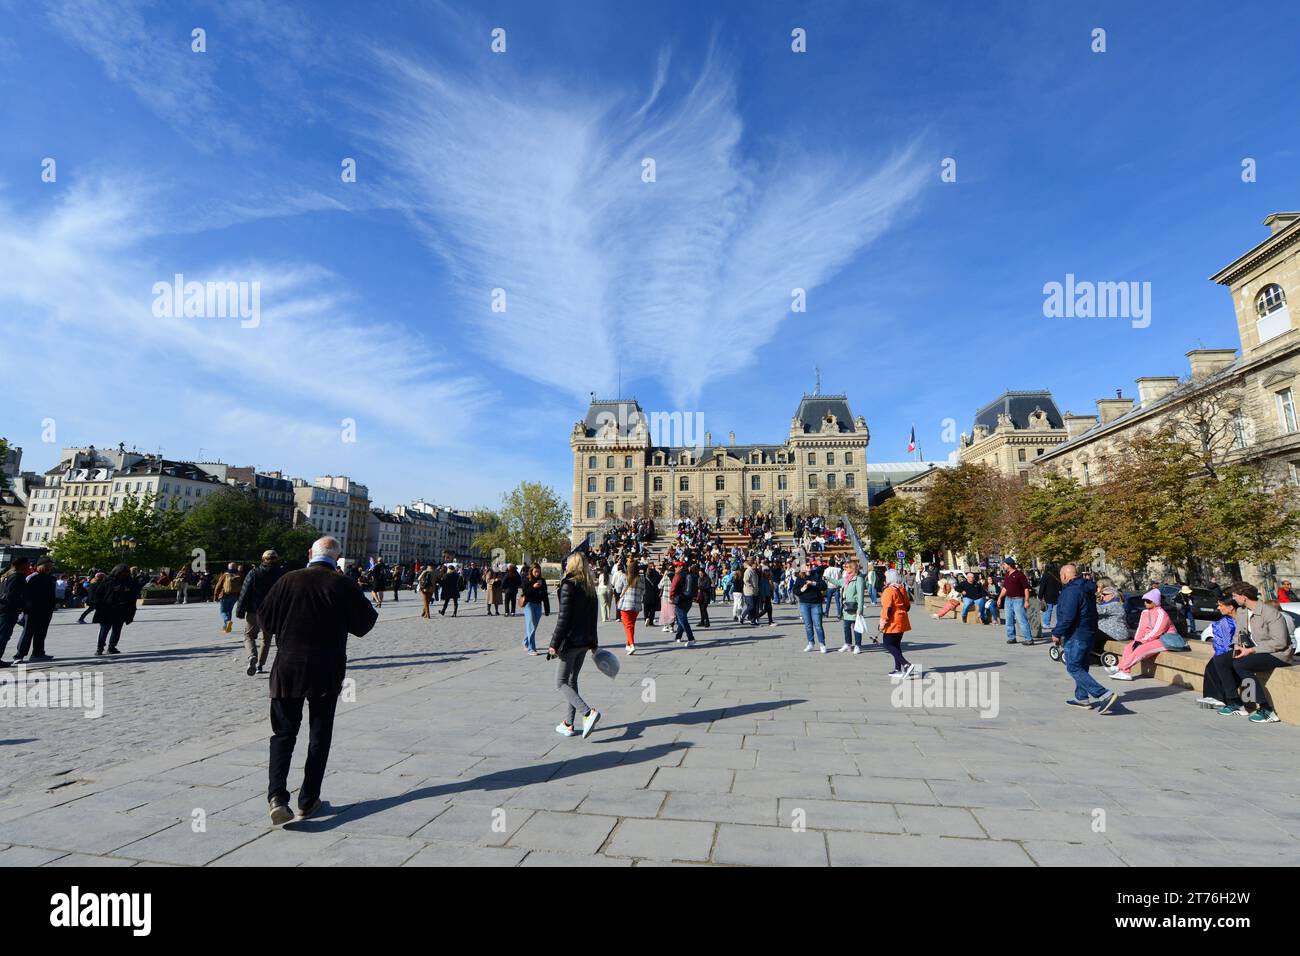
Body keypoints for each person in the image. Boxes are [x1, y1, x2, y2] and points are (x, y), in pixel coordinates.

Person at [258, 537, 378, 825]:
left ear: (310, 553)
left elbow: (265, 619)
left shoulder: (288, 580)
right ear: (337, 558)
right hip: (327, 668)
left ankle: (277, 797)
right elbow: (365, 624)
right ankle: (308, 800)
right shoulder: (342, 584)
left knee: (283, 734)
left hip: (288, 668)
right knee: (319, 736)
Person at [1211, 582, 1293, 722]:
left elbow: (1280, 642)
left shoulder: (1270, 613)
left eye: (1235, 596)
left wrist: (1251, 650)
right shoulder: (1242, 611)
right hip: (1252, 651)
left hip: (1277, 654)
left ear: (1244, 597)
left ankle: (1266, 709)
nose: (1234, 599)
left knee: (1241, 664)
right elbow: (1238, 633)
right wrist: (1236, 646)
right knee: (1220, 660)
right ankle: (1235, 702)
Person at [547, 551, 602, 739]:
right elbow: (593, 618)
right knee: (571, 681)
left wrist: (554, 643)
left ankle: (587, 713)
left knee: (560, 682)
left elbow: (563, 618)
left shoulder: (568, 585)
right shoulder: (589, 586)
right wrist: (593, 642)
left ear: (571, 565)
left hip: (570, 641)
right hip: (584, 642)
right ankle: (568, 724)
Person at [1051, 563, 1118, 713]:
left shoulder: (1071, 591)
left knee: (1073, 666)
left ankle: (1103, 694)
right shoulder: (1086, 587)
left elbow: (1068, 617)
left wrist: (1057, 632)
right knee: (1081, 666)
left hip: (1077, 633)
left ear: (1064, 576)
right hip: (1088, 632)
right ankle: (1081, 698)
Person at [1108, 588, 1185, 681]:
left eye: (1148, 601)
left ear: (1155, 602)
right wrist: (1137, 640)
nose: (1145, 603)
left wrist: (1142, 642)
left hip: (1165, 639)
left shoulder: (1162, 613)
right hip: (1151, 639)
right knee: (1129, 647)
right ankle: (1125, 672)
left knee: (1142, 649)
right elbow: (1141, 629)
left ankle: (1119, 667)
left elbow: (1158, 631)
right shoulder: (1145, 612)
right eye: (1144, 601)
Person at [235, 550, 285, 677]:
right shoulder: (282, 574)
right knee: (266, 639)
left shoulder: (254, 573)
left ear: (263, 559)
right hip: (272, 611)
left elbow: (245, 592)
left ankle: (252, 656)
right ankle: (260, 665)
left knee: (249, 636)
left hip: (254, 610)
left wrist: (240, 610)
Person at [1197, 593, 1238, 707]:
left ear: (1231, 607)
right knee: (1212, 666)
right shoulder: (1225, 620)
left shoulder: (1231, 621)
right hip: (1227, 651)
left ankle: (1220, 697)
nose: (1218, 608)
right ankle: (1214, 696)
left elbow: (1226, 643)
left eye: (1221, 605)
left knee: (1217, 664)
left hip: (1235, 651)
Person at [15, 556, 57, 662]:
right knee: (28, 632)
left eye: (50, 566)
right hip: (32, 610)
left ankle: (38, 653)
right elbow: (24, 594)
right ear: (39, 566)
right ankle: (19, 655)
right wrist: (25, 607)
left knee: (41, 632)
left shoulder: (50, 578)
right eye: (47, 566)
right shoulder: (32, 577)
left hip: (46, 610)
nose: (49, 568)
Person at [92, 564, 141, 656]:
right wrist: (99, 606)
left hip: (122, 609)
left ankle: (112, 647)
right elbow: (98, 594)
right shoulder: (108, 581)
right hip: (107, 609)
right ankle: (100, 648)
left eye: (126, 573)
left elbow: (133, 595)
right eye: (123, 572)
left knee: (117, 629)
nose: (125, 574)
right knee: (105, 629)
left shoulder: (129, 582)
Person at [878, 569, 914, 678]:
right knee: (896, 644)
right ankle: (898, 668)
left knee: (888, 644)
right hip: (902, 619)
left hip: (893, 621)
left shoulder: (888, 591)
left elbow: (887, 608)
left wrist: (882, 623)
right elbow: (908, 606)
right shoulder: (901, 589)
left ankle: (906, 664)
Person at [0, 557, 30, 667]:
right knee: (4, 634)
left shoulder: (7, 575)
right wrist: (23, 605)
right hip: (8, 610)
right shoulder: (17, 577)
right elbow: (12, 596)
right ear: (21, 565)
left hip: (4, 608)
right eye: (28, 564)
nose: (29, 566)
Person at [997, 558, 1033, 645]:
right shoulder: (1007, 574)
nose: (1003, 566)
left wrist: (1026, 601)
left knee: (1021, 620)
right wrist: (1000, 598)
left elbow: (1026, 588)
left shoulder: (1019, 575)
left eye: (1004, 564)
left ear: (1009, 565)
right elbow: (1005, 588)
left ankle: (1028, 639)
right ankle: (1011, 637)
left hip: (1018, 600)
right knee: (1009, 620)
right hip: (1008, 600)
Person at [795, 566, 828, 652]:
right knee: (808, 625)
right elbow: (795, 590)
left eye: (809, 565)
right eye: (806, 566)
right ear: (803, 569)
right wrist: (803, 589)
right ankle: (811, 643)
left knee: (818, 625)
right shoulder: (800, 578)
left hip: (816, 603)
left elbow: (824, 586)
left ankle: (822, 644)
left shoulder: (816, 575)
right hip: (804, 603)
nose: (808, 567)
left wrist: (813, 583)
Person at [615, 557, 644, 654]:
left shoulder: (624, 577)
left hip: (625, 604)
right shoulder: (641, 578)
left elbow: (618, 589)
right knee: (631, 625)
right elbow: (643, 591)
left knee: (628, 625)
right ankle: (628, 644)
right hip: (636, 605)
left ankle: (632, 645)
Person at [520, 562, 550, 655]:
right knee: (531, 626)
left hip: (538, 605)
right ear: (531, 571)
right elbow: (525, 593)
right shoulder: (526, 580)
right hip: (528, 604)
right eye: (535, 571)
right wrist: (533, 587)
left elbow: (545, 595)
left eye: (538, 572)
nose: (537, 573)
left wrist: (547, 608)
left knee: (534, 626)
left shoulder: (542, 581)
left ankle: (525, 641)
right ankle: (531, 649)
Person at [839, 559, 865, 653]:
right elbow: (838, 582)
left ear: (852, 568)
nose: (845, 569)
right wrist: (827, 578)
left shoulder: (858, 579)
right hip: (846, 607)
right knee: (846, 627)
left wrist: (860, 609)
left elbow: (860, 595)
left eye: (847, 567)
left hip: (854, 607)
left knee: (856, 627)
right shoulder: (847, 578)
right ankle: (848, 644)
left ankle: (858, 645)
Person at [669, 561, 697, 646]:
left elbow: (673, 587)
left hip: (679, 599)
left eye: (676, 566)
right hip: (688, 600)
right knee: (682, 618)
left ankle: (691, 638)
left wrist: (671, 597)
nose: (675, 568)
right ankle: (678, 636)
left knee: (682, 620)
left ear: (680, 567)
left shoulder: (678, 576)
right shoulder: (689, 575)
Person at [213, 563, 244, 633]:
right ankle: (226, 627)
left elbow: (218, 586)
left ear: (228, 567)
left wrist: (215, 596)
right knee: (229, 610)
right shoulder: (239, 575)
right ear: (236, 567)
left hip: (225, 595)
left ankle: (227, 621)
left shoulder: (225, 575)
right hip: (235, 596)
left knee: (223, 611)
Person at [1039, 562, 1062, 630]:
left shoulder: (1045, 575)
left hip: (1048, 595)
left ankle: (1046, 624)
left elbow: (1042, 586)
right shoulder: (1057, 574)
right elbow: (1060, 585)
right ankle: (1060, 623)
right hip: (1057, 594)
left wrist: (1040, 595)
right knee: (1059, 609)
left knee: (1048, 609)